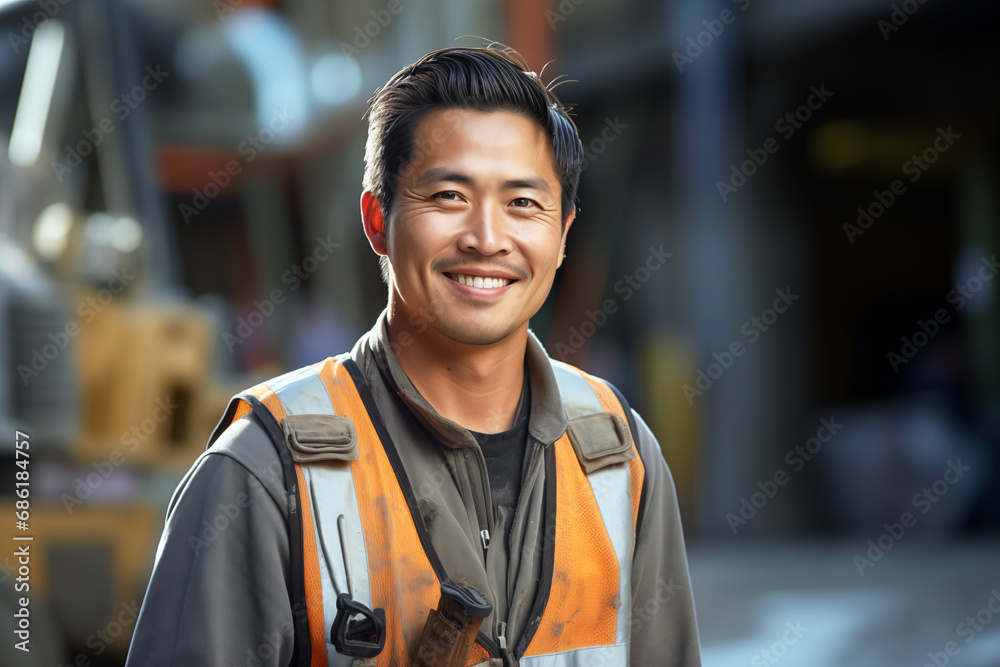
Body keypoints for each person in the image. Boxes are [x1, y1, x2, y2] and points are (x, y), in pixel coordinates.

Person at [126, 45, 701, 667]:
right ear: (377, 219)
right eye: (450, 195)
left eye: (523, 203)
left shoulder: (619, 458)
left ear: (561, 236)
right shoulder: (264, 472)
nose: (486, 237)